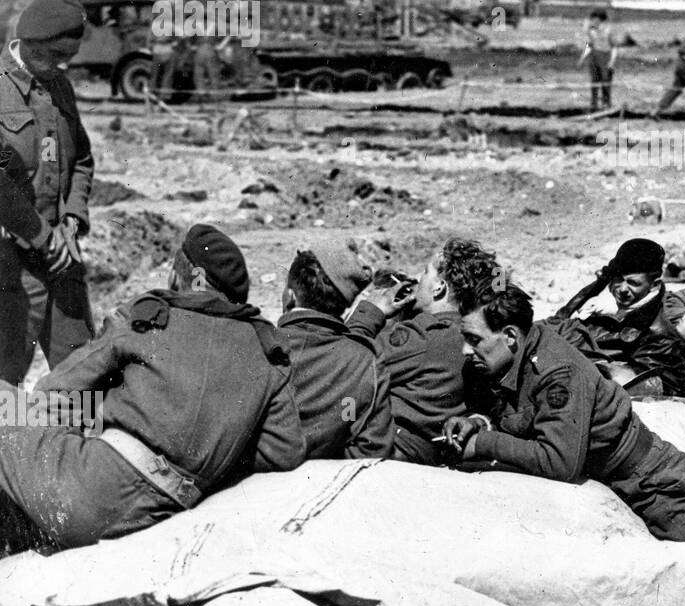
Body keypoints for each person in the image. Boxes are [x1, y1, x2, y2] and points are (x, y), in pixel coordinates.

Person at [0, 224, 306, 554]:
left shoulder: (150, 317)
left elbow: (52, 391)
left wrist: (86, 420)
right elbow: (284, 450)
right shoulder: (264, 350)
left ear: (178, 277)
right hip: (165, 510)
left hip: (89, 495)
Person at [446, 282, 685, 543]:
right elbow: (515, 412)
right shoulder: (513, 356)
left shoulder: (557, 372)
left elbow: (558, 461)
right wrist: (478, 422)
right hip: (613, 483)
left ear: (509, 336)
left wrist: (482, 443)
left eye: (474, 339)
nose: (465, 350)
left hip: (657, 487)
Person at [0, 0, 96, 385]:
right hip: (10, 265)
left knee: (87, 379)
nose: (65, 64)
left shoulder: (60, 86)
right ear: (30, 43)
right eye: (58, 54)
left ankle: (76, 447)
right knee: (4, 383)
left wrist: (74, 217)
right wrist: (41, 237)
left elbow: (83, 159)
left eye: (69, 55)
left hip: (61, 258)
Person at [347, 238, 502, 464]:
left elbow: (343, 360)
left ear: (439, 287)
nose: (419, 280)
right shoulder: (469, 335)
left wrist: (370, 311)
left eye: (425, 273)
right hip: (426, 449)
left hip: (390, 447)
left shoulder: (423, 335)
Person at [278, 243, 394, 459]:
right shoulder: (364, 360)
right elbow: (374, 447)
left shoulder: (259, 344)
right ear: (343, 306)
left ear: (290, 297)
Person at [549, 238, 685, 396]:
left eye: (634, 283)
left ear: (654, 285)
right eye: (618, 279)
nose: (622, 288)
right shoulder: (602, 295)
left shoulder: (657, 334)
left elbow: (638, 384)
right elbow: (559, 320)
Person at [577, 10, 617, 112]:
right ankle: (594, 104)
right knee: (594, 81)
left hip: (605, 57)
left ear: (601, 21)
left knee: (606, 82)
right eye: (592, 20)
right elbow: (589, 46)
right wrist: (582, 58)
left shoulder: (608, 31)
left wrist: (612, 61)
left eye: (595, 20)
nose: (593, 22)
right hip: (594, 57)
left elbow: (614, 47)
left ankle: (606, 104)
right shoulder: (592, 31)